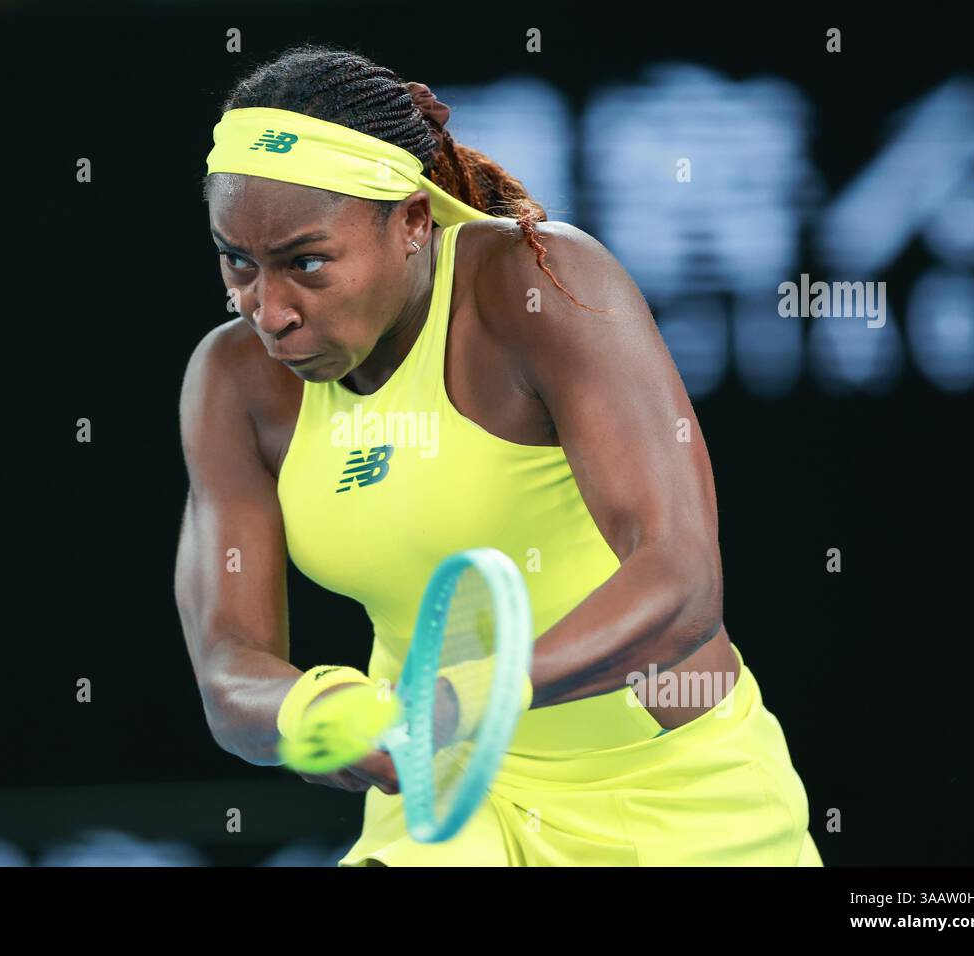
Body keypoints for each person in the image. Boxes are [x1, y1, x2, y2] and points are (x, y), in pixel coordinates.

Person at [175, 43, 822, 866]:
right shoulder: (232, 380)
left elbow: (680, 581)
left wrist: (469, 698)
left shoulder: (539, 285)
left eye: (307, 263)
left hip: (673, 797)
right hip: (449, 806)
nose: (269, 312)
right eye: (238, 262)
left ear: (412, 221)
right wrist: (313, 710)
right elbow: (229, 666)